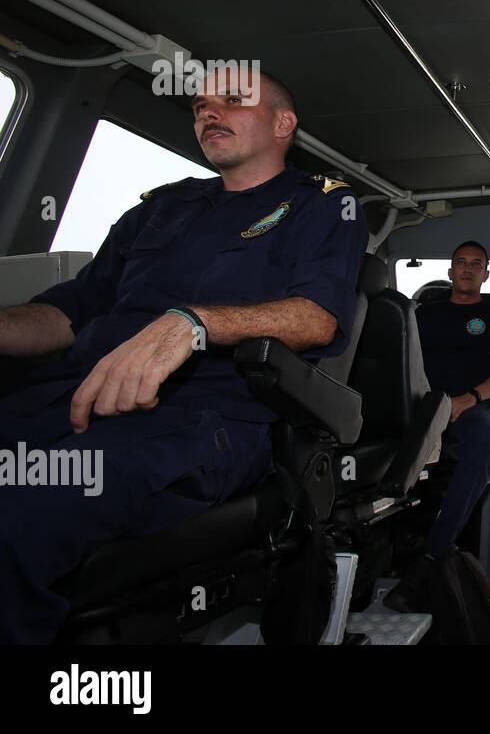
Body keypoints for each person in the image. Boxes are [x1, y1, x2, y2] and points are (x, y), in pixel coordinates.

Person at [0, 66, 369, 643]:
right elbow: (73, 309)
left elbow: (317, 317)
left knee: (26, 505)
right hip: (64, 396)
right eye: (198, 106)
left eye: (231, 100)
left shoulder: (321, 205)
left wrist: (192, 324)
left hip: (199, 418)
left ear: (283, 123)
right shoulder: (160, 208)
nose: (207, 112)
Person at [386, 239, 490, 610]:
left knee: (485, 439)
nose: (467, 268)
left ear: (486, 274)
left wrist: (469, 399)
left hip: (472, 405)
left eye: (476, 263)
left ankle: (429, 558)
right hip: (424, 404)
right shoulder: (423, 314)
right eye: (461, 262)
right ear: (450, 271)